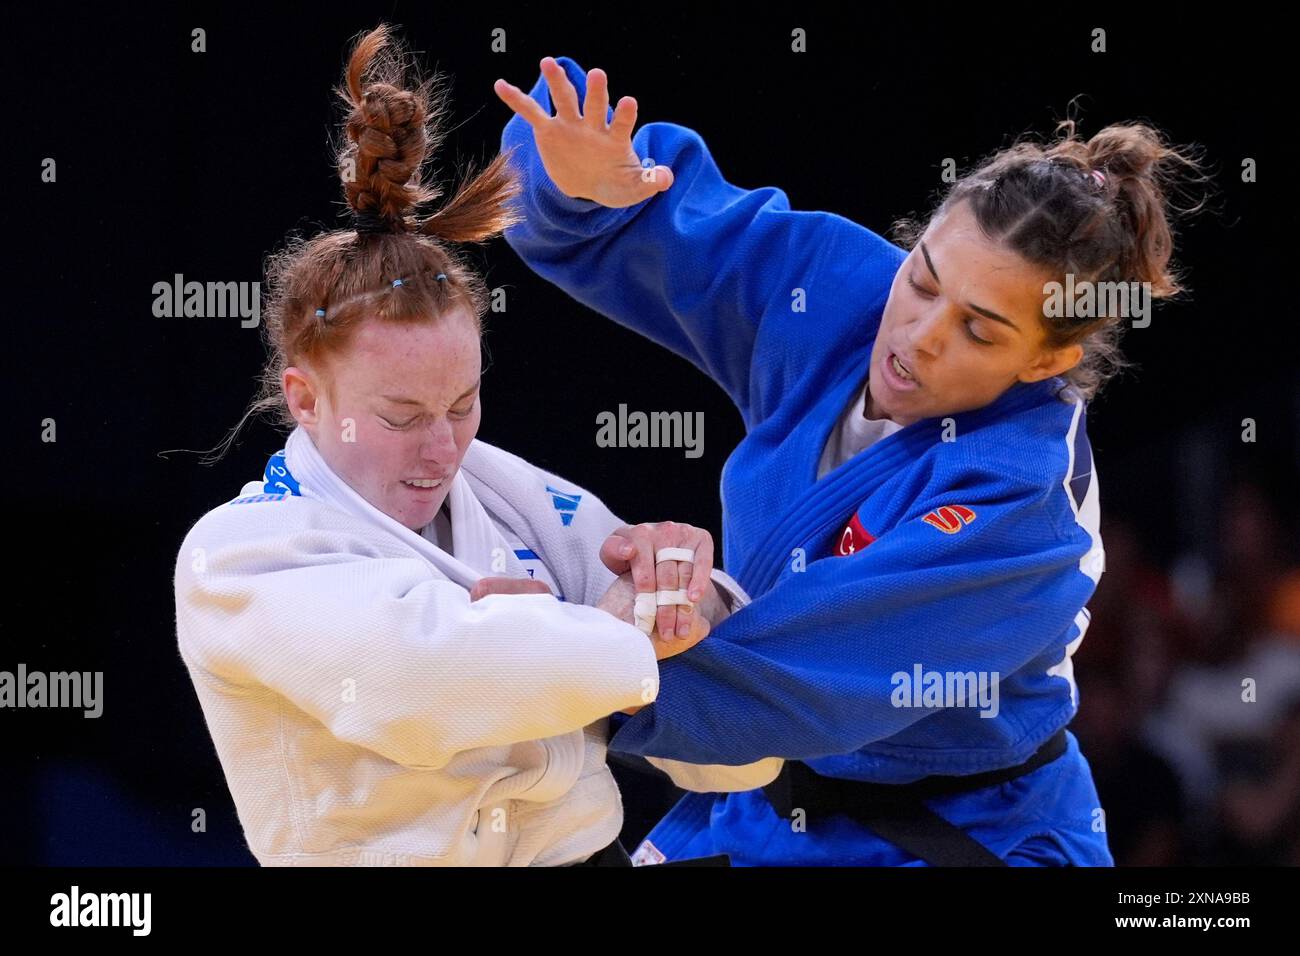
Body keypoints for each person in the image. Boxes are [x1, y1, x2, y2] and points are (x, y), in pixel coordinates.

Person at [494, 56, 1206, 865]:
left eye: (980, 330)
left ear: (1047, 361)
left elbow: (795, 683)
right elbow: (655, 227)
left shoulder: (1017, 504)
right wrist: (586, 183)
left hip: (961, 834)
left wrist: (554, 663)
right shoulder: (835, 293)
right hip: (765, 800)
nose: (918, 335)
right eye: (925, 279)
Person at [173, 25, 773, 868]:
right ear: (306, 399)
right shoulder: (239, 556)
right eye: (401, 416)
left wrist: (691, 602)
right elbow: (422, 683)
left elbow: (733, 751)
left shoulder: (520, 495)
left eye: (463, 404)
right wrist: (614, 635)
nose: (441, 449)